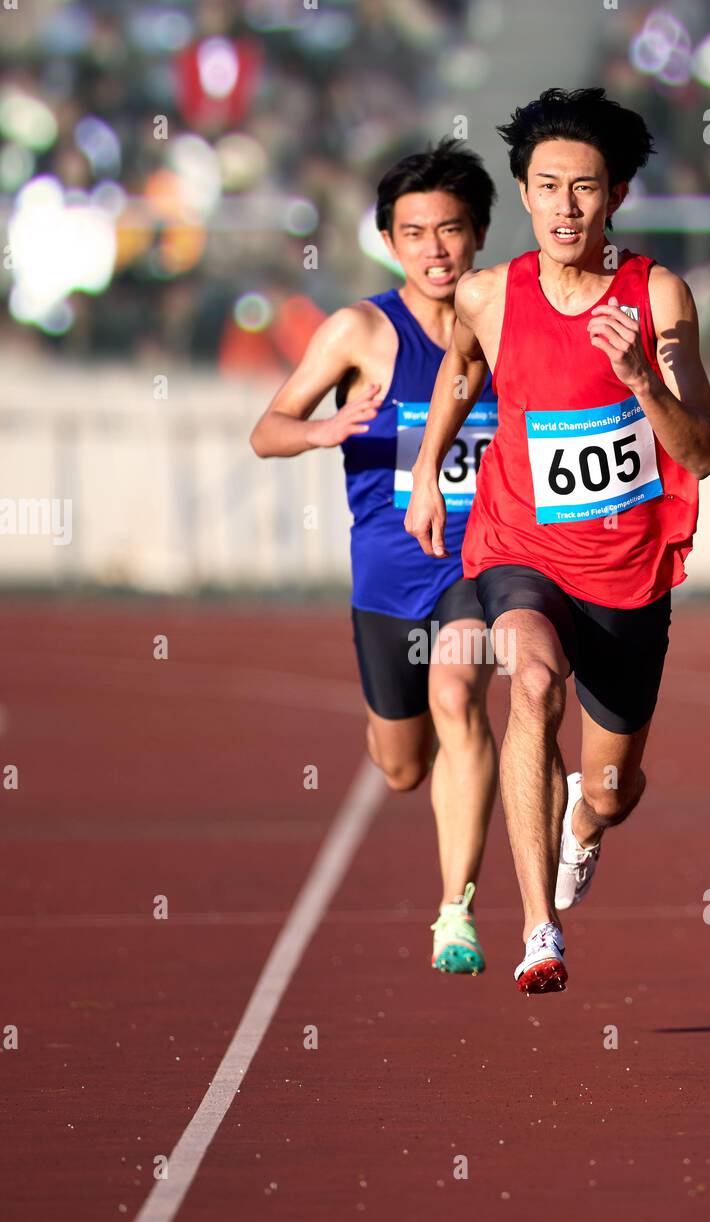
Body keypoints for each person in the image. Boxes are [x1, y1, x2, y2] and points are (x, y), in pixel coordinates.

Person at [405, 90, 710, 994]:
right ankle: (539, 930)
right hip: (517, 550)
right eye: (546, 188)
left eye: (584, 189)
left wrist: (640, 381)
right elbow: (463, 370)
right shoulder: (485, 294)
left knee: (614, 789)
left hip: (626, 576)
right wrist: (430, 470)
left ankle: (584, 822)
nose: (564, 209)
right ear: (523, 190)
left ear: (616, 194)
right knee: (531, 684)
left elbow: (704, 451)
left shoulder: (656, 296)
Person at [250, 139, 499, 975]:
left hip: (480, 564)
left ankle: (453, 911)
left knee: (460, 697)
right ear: (390, 242)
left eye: (452, 230)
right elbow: (267, 429)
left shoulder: (507, 325)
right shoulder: (359, 330)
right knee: (400, 768)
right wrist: (321, 428)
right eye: (415, 232)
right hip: (389, 578)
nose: (436, 249)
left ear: (479, 234)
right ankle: (411, 741)